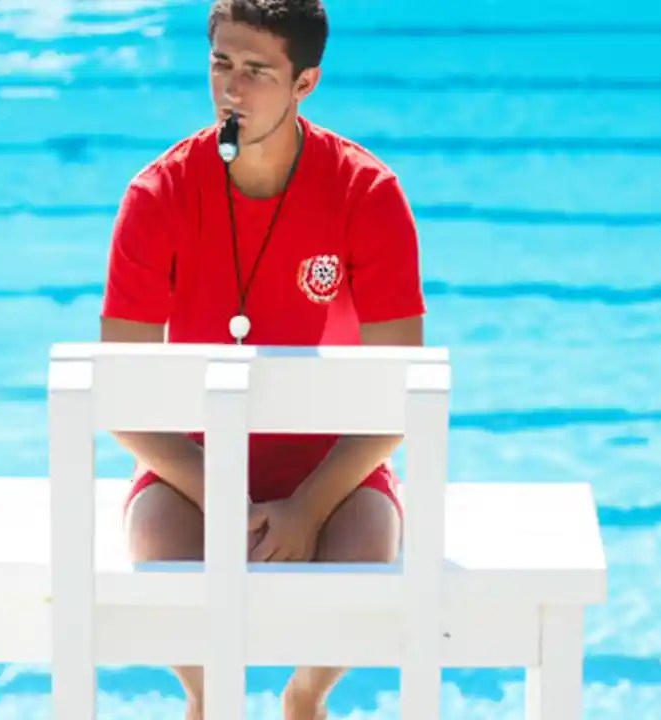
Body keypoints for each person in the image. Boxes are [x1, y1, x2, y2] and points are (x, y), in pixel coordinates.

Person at [98, 0, 426, 717]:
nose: (232, 91)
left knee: (366, 574)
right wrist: (213, 482)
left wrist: (311, 504)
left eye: (256, 71)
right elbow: (117, 396)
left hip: (333, 465)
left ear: (305, 83)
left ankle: (304, 696)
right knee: (162, 564)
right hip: (191, 465)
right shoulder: (157, 196)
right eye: (220, 64)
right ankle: (208, 697)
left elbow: (405, 395)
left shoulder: (367, 195)